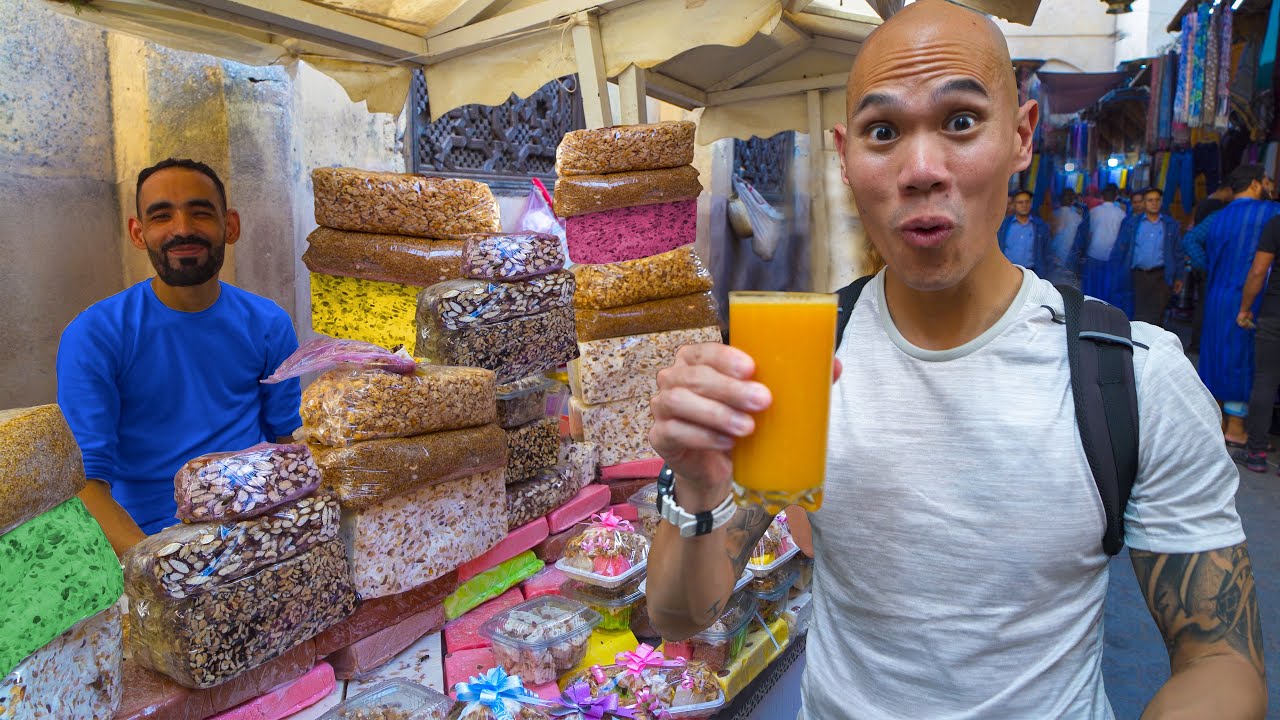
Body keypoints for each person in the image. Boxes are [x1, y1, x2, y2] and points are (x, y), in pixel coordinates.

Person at [644, 2, 1264, 718]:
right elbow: (683, 616)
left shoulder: (1131, 375)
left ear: (1022, 135)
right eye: (884, 133)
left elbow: (1219, 656)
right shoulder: (799, 360)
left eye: (961, 122)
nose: (922, 169)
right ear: (846, 158)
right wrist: (695, 488)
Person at [56, 158, 302, 555]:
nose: (183, 229)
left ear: (230, 226)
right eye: (161, 216)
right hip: (147, 538)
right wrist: (160, 566)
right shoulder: (95, 335)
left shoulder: (269, 323)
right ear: (139, 233)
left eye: (200, 213)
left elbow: (288, 442)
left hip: (259, 528)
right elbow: (86, 485)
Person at [1183, 164, 1280, 448]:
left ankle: (1216, 421)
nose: (1270, 186)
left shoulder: (1217, 216)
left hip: (1217, 295)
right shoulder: (1272, 214)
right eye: (1266, 181)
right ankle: (1236, 427)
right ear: (1254, 184)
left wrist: (1208, 267)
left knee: (1216, 355)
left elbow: (1190, 240)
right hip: (1253, 297)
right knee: (1244, 358)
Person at [1237, 213, 1280, 473]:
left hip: (1275, 313)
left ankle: (1256, 452)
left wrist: (1245, 308)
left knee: (1265, 379)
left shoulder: (1276, 224)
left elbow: (1258, 270)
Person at [1121, 188, 1183, 326]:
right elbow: (1121, 250)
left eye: (1157, 200)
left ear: (1161, 202)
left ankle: (1153, 345)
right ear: (1144, 203)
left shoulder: (1170, 225)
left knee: (1157, 316)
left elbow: (1177, 252)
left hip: (1161, 275)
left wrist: (1179, 276)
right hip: (1138, 275)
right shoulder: (1132, 224)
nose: (1154, 203)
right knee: (1139, 314)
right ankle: (1139, 345)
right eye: (1150, 200)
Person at [1189, 185, 1234, 352]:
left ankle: (1198, 345)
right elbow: (1191, 239)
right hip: (1211, 269)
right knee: (1207, 307)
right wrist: (1206, 263)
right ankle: (1200, 345)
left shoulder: (1205, 205)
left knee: (1204, 305)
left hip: (1206, 267)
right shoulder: (1219, 211)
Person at [1081, 184, 1133, 317]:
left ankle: (1091, 312)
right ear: (1116, 197)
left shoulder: (1093, 212)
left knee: (1093, 286)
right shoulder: (1122, 214)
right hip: (1111, 255)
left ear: (1102, 197)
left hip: (1094, 252)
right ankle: (1107, 314)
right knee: (1109, 286)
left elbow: (1088, 233)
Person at [997, 189, 1050, 272]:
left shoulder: (1040, 226)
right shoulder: (1004, 225)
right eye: (1020, 202)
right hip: (1006, 271)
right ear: (1014, 205)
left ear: (1031, 204)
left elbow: (1046, 253)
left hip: (1031, 273)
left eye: (1027, 202)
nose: (1024, 205)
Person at [1049, 188, 1086, 286]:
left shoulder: (1052, 215)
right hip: (1070, 258)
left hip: (1053, 257)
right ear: (1072, 200)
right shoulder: (1078, 217)